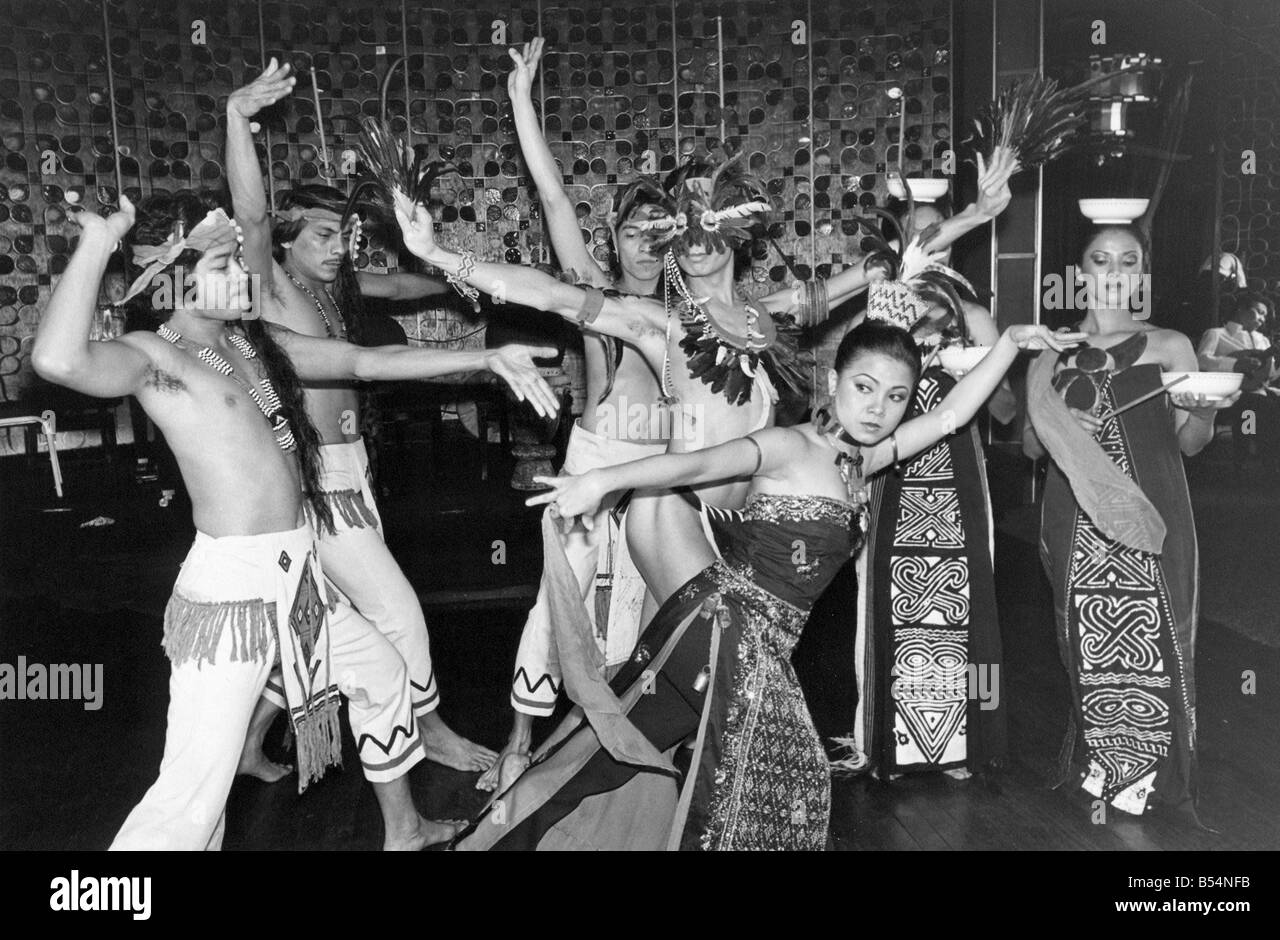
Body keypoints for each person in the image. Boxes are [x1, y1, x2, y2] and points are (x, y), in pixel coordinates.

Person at [32, 192, 557, 849]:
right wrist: (97, 243)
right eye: (223, 266)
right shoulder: (155, 359)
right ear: (169, 280)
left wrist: (483, 360)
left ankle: (405, 831)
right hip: (235, 597)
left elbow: (366, 362)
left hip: (300, 575)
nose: (243, 278)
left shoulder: (252, 343)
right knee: (194, 795)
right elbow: (57, 361)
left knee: (384, 677)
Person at [450, 313, 1079, 850]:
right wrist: (601, 482)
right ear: (834, 382)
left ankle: (491, 840)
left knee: (606, 753)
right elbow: (694, 463)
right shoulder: (789, 445)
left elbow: (948, 418)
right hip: (727, 629)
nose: (877, 408)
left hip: (751, 640)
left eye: (894, 397)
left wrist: (1011, 343)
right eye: (864, 387)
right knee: (786, 774)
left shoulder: (862, 460)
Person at [225, 60, 500, 775]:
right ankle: (428, 731)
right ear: (284, 242)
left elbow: (406, 282)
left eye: (342, 233)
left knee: (318, 627)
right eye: (320, 234)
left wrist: (466, 276)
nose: (336, 245)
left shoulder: (336, 286)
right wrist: (236, 119)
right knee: (398, 612)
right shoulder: (275, 288)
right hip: (316, 490)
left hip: (353, 479)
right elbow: (250, 214)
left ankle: (249, 744)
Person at [480, 38, 671, 791]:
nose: (648, 248)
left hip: (661, 465)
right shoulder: (595, 292)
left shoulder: (685, 313)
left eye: (662, 236)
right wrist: (522, 101)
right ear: (614, 238)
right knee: (555, 594)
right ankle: (520, 740)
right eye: (633, 232)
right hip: (594, 459)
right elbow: (555, 198)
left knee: (645, 598)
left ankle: (615, 732)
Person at [1024, 223, 1240, 818]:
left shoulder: (1171, 343)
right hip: (1077, 515)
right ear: (1080, 273)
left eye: (1128, 260)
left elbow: (1191, 444)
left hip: (1157, 509)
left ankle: (1154, 772)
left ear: (1142, 273)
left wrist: (1204, 412)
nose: (1114, 270)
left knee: (1159, 634)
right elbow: (1030, 447)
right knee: (1088, 635)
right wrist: (1064, 423)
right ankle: (1104, 761)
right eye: (1100, 258)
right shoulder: (1051, 346)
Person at [832, 193, 1015, 780]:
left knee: (961, 609)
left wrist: (977, 372)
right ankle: (885, 743)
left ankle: (960, 745)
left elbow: (1007, 412)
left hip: (957, 481)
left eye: (941, 235)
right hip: (890, 478)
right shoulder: (883, 310)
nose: (932, 245)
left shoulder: (976, 316)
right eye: (920, 236)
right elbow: (852, 396)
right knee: (887, 601)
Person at [1197, 291, 1280, 474]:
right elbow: (1201, 360)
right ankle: (1246, 454)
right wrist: (1235, 363)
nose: (1262, 318)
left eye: (1265, 315)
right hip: (1228, 391)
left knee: (1277, 405)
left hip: (1258, 391)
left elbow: (1267, 377)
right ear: (1241, 309)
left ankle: (1275, 460)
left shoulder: (1263, 341)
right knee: (1252, 407)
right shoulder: (1217, 334)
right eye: (1258, 312)